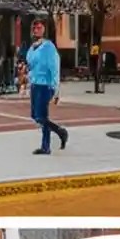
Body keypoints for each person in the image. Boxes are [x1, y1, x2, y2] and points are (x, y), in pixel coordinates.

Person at [25, 18, 68, 155]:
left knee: (40, 116)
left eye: (39, 27)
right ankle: (46, 146)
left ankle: (60, 132)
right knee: (36, 116)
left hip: (45, 85)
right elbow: (31, 65)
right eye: (35, 28)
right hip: (35, 84)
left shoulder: (48, 46)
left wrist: (55, 87)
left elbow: (54, 66)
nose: (36, 30)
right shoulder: (32, 47)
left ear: (44, 29)